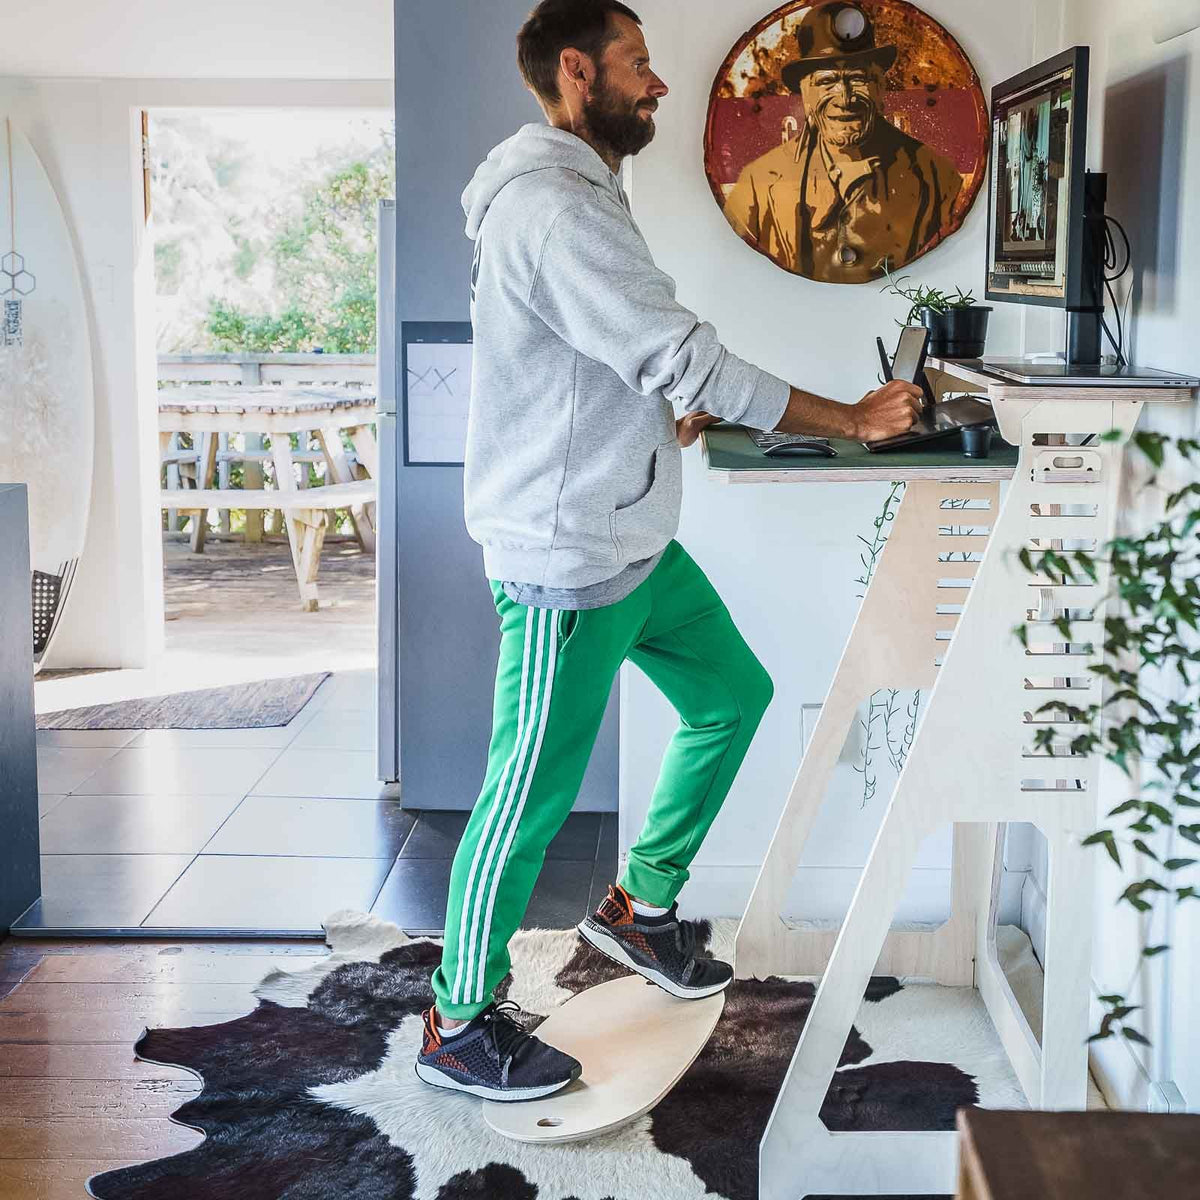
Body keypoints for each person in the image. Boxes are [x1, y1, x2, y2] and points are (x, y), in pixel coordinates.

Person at [415, 0, 921, 1102]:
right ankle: (458, 1020)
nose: (657, 85)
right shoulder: (553, 209)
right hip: (569, 559)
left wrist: (662, 415)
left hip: (631, 536)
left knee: (731, 694)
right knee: (523, 798)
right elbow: (679, 351)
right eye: (639, 66)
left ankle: (641, 908)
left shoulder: (589, 192)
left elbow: (614, 359)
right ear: (575, 72)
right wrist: (850, 417)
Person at [722, 1, 964, 283]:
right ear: (805, 93)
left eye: (858, 78)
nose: (845, 97)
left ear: (880, 87)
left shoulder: (936, 178)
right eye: (826, 81)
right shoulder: (757, 184)